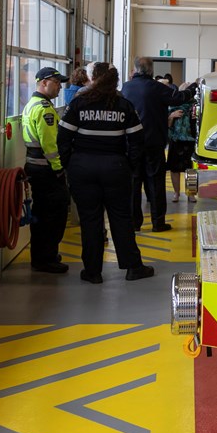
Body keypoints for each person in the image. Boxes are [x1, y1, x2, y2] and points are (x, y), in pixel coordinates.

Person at [58, 61, 154, 283]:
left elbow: (63, 138)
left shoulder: (79, 104)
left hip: (83, 168)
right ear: (115, 81)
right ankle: (133, 267)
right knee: (121, 218)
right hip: (115, 168)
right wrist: (128, 164)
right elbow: (137, 140)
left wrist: (70, 164)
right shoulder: (124, 106)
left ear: (93, 79)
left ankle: (92, 272)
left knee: (90, 221)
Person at [120, 57, 192, 232]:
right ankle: (158, 223)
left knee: (134, 184)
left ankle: (134, 223)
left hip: (132, 143)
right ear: (151, 71)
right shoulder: (158, 88)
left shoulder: (126, 88)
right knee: (156, 183)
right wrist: (192, 90)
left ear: (135, 70)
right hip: (154, 143)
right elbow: (179, 98)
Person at [21, 66, 70, 274]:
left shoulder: (32, 104)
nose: (60, 87)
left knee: (42, 213)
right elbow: (51, 146)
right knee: (54, 215)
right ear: (43, 83)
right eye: (56, 82)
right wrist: (60, 170)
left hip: (36, 167)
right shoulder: (44, 110)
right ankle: (46, 259)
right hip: (47, 170)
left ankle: (42, 255)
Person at [166, 94, 196, 202]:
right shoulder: (171, 108)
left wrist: (194, 117)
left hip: (190, 141)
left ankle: (191, 194)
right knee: (174, 169)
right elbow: (168, 127)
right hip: (175, 141)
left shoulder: (194, 108)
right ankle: (176, 193)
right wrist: (171, 116)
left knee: (191, 169)